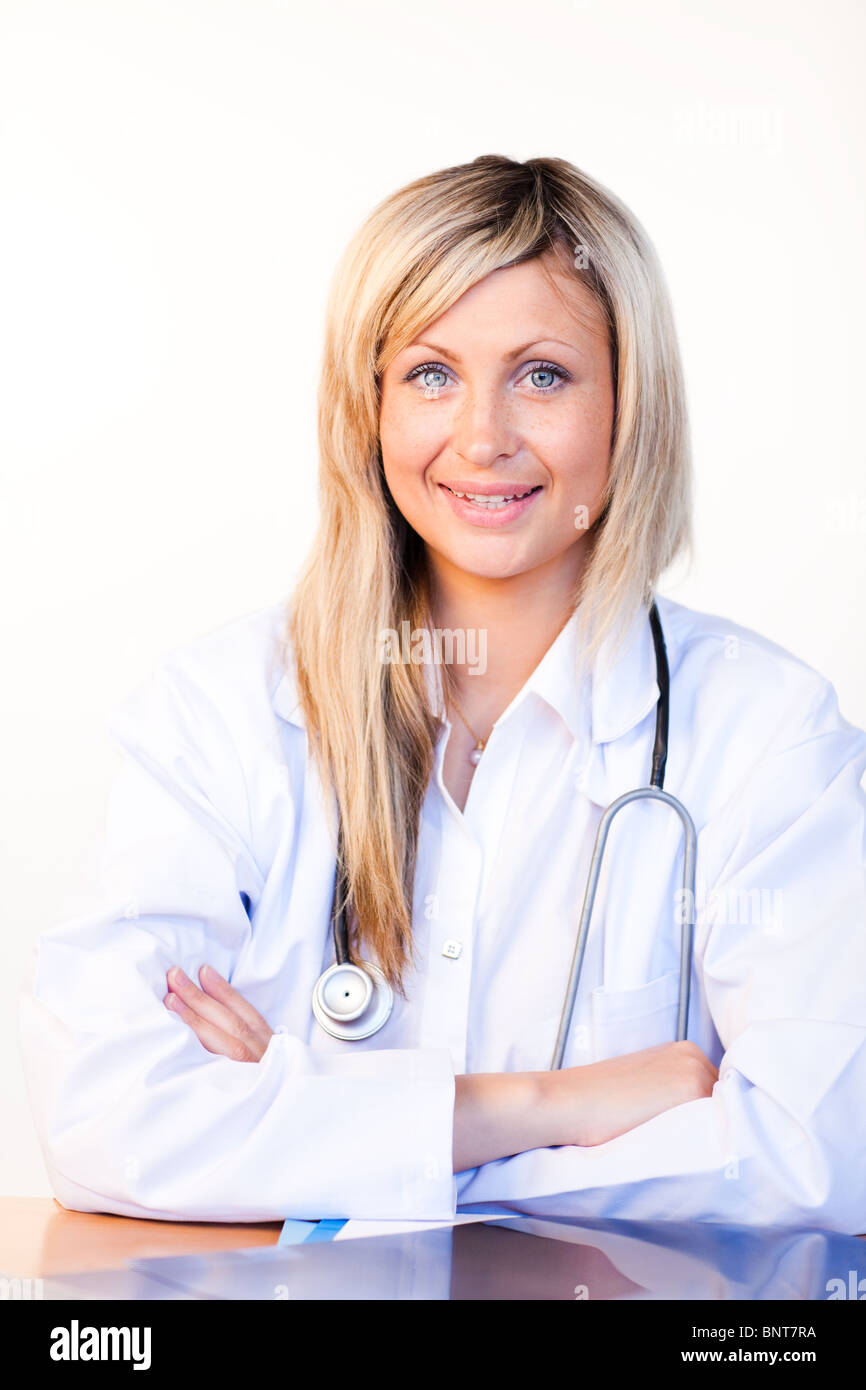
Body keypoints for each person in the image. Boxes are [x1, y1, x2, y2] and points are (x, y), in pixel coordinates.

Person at [19, 155, 866, 1231]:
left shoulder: (767, 737)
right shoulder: (220, 714)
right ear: (367, 406)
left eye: (543, 374)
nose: (481, 437)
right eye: (429, 373)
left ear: (628, 402)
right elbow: (102, 1117)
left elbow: (816, 1154)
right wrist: (552, 1107)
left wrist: (313, 1130)